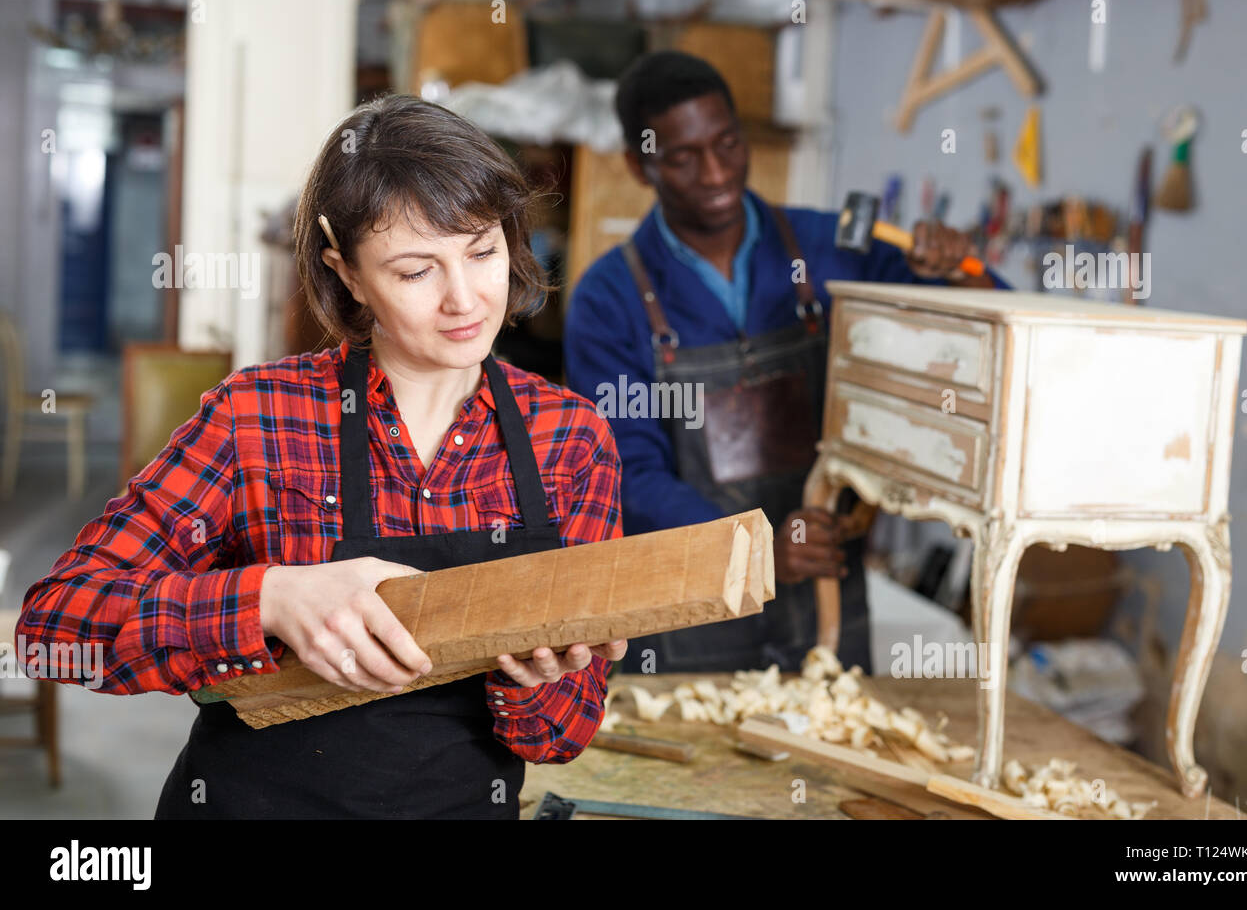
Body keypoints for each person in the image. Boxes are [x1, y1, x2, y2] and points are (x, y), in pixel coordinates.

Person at [19, 95, 626, 819]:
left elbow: (563, 734)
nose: (465, 299)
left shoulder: (570, 438)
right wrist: (271, 597)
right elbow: (54, 626)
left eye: (483, 251)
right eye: (414, 272)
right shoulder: (259, 417)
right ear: (348, 274)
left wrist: (536, 683)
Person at [564, 51, 1008, 675]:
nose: (717, 173)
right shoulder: (609, 298)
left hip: (827, 595)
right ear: (641, 166)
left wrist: (960, 268)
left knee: (833, 748)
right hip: (694, 611)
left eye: (727, 144)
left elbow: (992, 323)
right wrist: (757, 548)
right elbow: (626, 475)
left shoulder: (833, 248)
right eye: (685, 158)